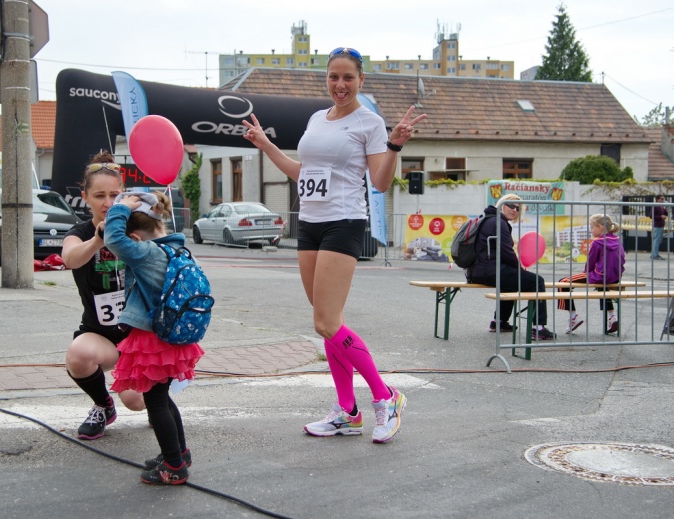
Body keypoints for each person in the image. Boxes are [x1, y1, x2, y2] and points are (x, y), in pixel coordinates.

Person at [242, 46, 427, 443]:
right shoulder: (316, 118)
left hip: (343, 223)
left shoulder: (370, 123)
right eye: (333, 77)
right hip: (308, 224)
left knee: (325, 322)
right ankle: (347, 411)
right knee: (330, 326)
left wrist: (394, 145)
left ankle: (385, 396)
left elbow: (379, 183)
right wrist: (266, 145)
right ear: (326, 79)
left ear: (361, 80)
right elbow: (303, 172)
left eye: (348, 77)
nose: (340, 85)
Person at [103, 191, 204, 486]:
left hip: (153, 339)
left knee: (155, 400)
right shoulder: (179, 250)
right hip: (175, 336)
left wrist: (119, 209)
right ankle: (178, 453)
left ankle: (174, 467)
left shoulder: (145, 252)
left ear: (135, 237)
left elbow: (112, 239)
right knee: (162, 397)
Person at [61, 151, 144, 441]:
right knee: (77, 356)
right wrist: (99, 239)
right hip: (102, 335)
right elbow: (70, 258)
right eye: (99, 196)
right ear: (85, 196)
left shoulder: (139, 230)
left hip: (139, 335)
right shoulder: (80, 232)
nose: (108, 204)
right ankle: (103, 405)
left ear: (124, 195)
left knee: (136, 402)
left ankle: (161, 389)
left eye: (114, 195)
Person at [466, 194, 556, 340]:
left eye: (518, 208)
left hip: (478, 271)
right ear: (502, 205)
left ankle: (499, 322)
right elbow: (506, 252)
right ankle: (538, 328)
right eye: (511, 206)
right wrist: (519, 268)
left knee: (511, 282)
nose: (514, 210)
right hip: (489, 270)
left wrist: (516, 270)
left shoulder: (489, 219)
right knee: (537, 281)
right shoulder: (498, 222)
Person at [557, 214, 625, 335]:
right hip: (614, 277)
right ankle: (612, 316)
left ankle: (573, 317)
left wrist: (586, 274)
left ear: (599, 227)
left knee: (563, 282)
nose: (591, 230)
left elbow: (590, 264)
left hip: (599, 276)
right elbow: (622, 259)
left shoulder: (597, 242)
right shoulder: (617, 240)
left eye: (592, 227)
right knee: (602, 288)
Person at [651, 195, 668, 260]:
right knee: (657, 240)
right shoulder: (655, 206)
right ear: (657, 199)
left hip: (661, 225)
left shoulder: (661, 207)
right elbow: (651, 215)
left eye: (663, 199)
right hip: (657, 225)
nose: (663, 200)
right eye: (661, 199)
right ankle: (655, 254)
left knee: (659, 240)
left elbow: (666, 214)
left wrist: (666, 208)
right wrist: (660, 217)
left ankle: (654, 254)